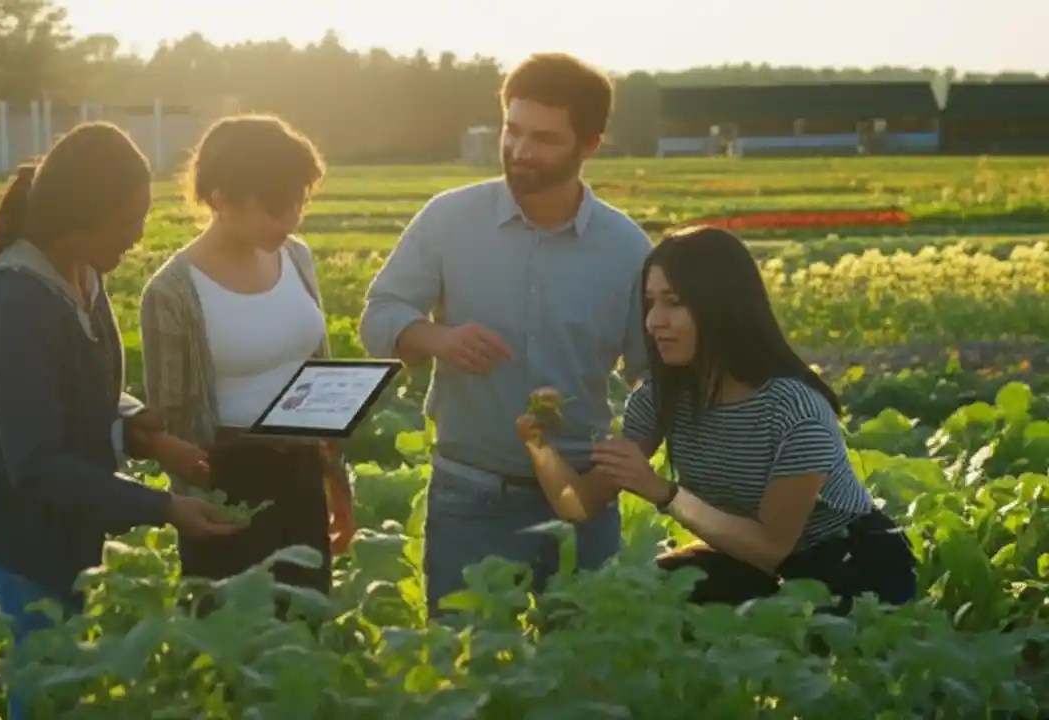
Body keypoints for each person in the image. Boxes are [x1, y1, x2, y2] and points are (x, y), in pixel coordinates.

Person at [0, 122, 244, 720]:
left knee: (64, 669)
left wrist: (148, 433)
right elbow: (36, 463)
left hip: (68, 520)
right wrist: (163, 509)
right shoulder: (16, 304)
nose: (139, 235)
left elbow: (85, 396)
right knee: (47, 684)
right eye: (130, 217)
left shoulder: (84, 275)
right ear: (85, 214)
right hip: (21, 528)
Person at [359, 53, 652, 616]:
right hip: (470, 498)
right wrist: (435, 338)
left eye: (544, 138)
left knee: (584, 679)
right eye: (512, 129)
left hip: (583, 502)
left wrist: (621, 469)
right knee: (462, 676)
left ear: (590, 144)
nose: (520, 150)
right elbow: (379, 318)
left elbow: (652, 379)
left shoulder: (626, 248)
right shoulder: (448, 220)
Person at [515, 225, 919, 614]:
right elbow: (579, 505)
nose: (654, 321)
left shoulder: (794, 408)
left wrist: (662, 492)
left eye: (673, 302)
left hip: (851, 564)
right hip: (748, 559)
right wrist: (538, 443)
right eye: (650, 302)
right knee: (636, 596)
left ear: (721, 307)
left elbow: (771, 548)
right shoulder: (660, 396)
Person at [138, 114, 356, 611]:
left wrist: (335, 480)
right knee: (235, 645)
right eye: (276, 208)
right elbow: (174, 419)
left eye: (299, 202)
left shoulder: (297, 258)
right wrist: (198, 507)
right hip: (230, 485)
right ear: (220, 197)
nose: (291, 219)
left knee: (305, 632)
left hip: (302, 477)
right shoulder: (173, 293)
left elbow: (317, 377)